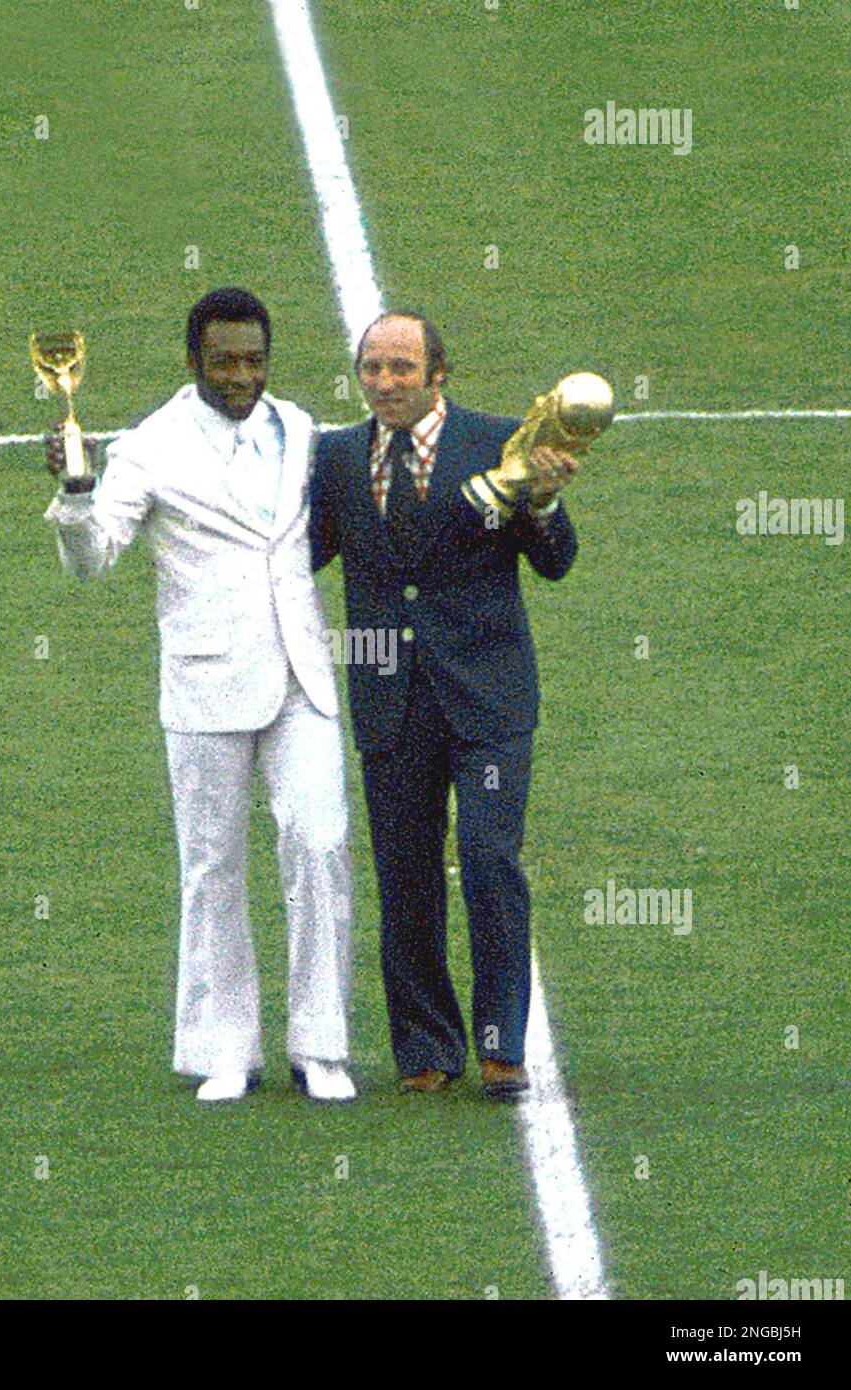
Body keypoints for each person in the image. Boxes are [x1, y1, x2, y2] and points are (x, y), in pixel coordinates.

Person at [43, 287, 355, 1104]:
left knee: (319, 844)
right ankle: (224, 1048)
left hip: (301, 676)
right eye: (224, 361)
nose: (240, 375)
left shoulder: (302, 430)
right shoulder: (149, 446)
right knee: (213, 864)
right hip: (205, 681)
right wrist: (75, 496)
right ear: (193, 361)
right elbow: (92, 559)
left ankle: (320, 1044)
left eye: (253, 359)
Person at [309, 310, 581, 1100]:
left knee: (491, 862)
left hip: (488, 698)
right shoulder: (334, 458)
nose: (385, 383)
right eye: (372, 369)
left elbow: (556, 562)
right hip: (390, 700)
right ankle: (425, 1047)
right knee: (405, 872)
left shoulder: (502, 443)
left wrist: (541, 502)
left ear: (437, 374)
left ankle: (502, 1044)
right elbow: (301, 554)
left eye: (401, 368)